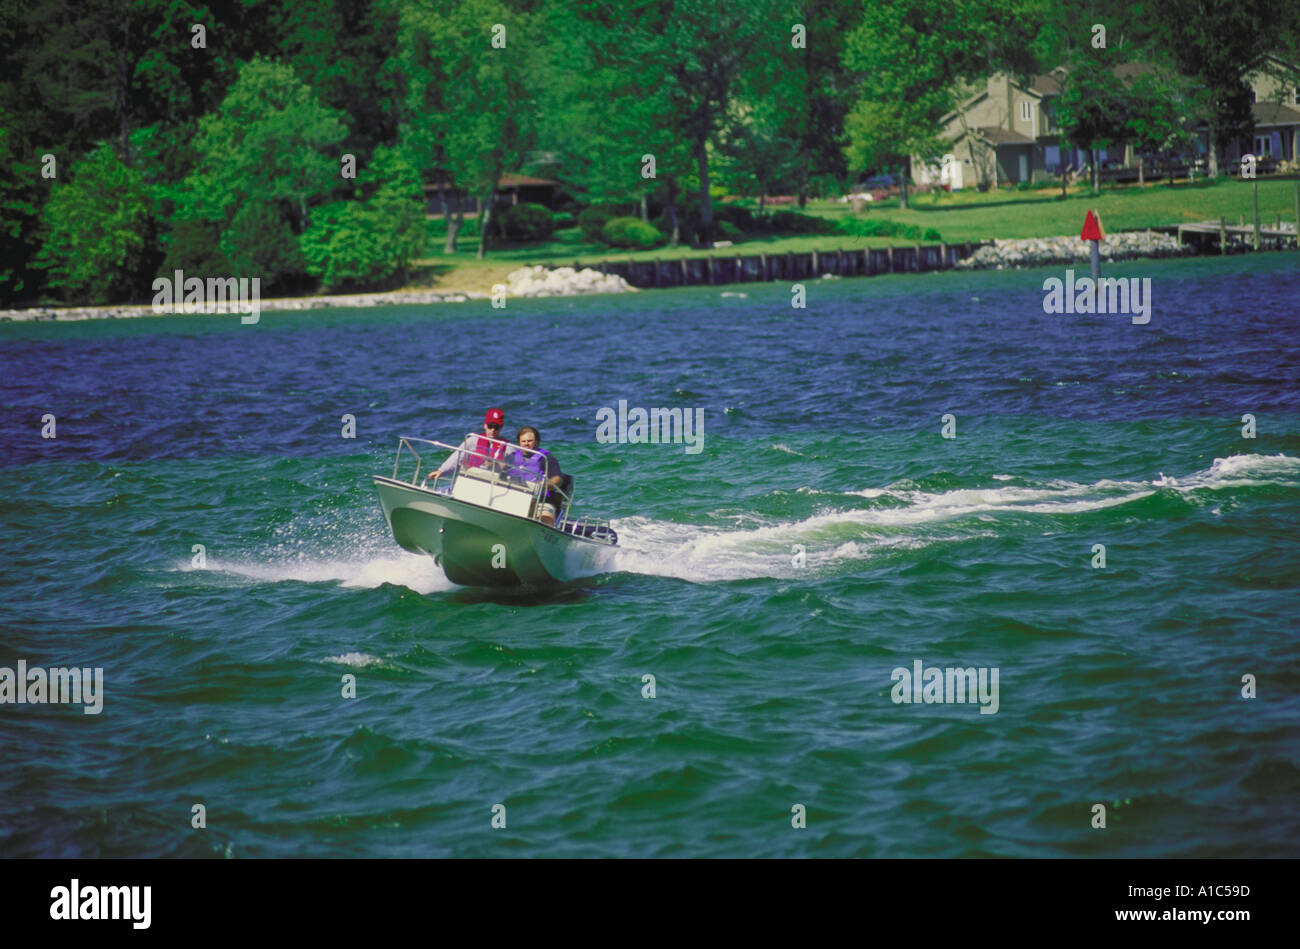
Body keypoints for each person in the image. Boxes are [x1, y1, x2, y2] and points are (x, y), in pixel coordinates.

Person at [425, 408, 508, 488]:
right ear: (485, 425)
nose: (493, 430)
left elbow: (513, 469)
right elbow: (457, 457)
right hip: (470, 480)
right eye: (490, 426)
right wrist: (441, 471)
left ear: (501, 428)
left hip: (493, 485)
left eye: (496, 427)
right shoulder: (472, 441)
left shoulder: (508, 447)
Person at [506, 426, 570, 525]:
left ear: (537, 442)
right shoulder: (511, 457)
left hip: (540, 501)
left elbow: (558, 479)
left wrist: (542, 485)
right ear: (519, 442)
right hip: (514, 497)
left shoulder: (547, 459)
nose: (526, 444)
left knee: (546, 517)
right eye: (523, 441)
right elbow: (499, 471)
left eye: (530, 441)